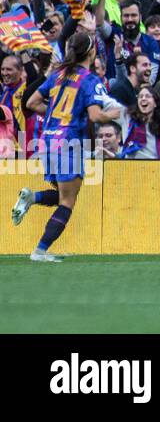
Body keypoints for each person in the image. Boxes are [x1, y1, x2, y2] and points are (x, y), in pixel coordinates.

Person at [11, 32, 122, 262]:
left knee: (63, 194)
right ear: (91, 52)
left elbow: (31, 103)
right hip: (69, 144)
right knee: (68, 202)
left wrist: (57, 116)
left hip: (48, 141)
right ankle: (40, 251)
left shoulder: (58, 74)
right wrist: (114, 113)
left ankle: (32, 197)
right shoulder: (90, 80)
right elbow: (95, 115)